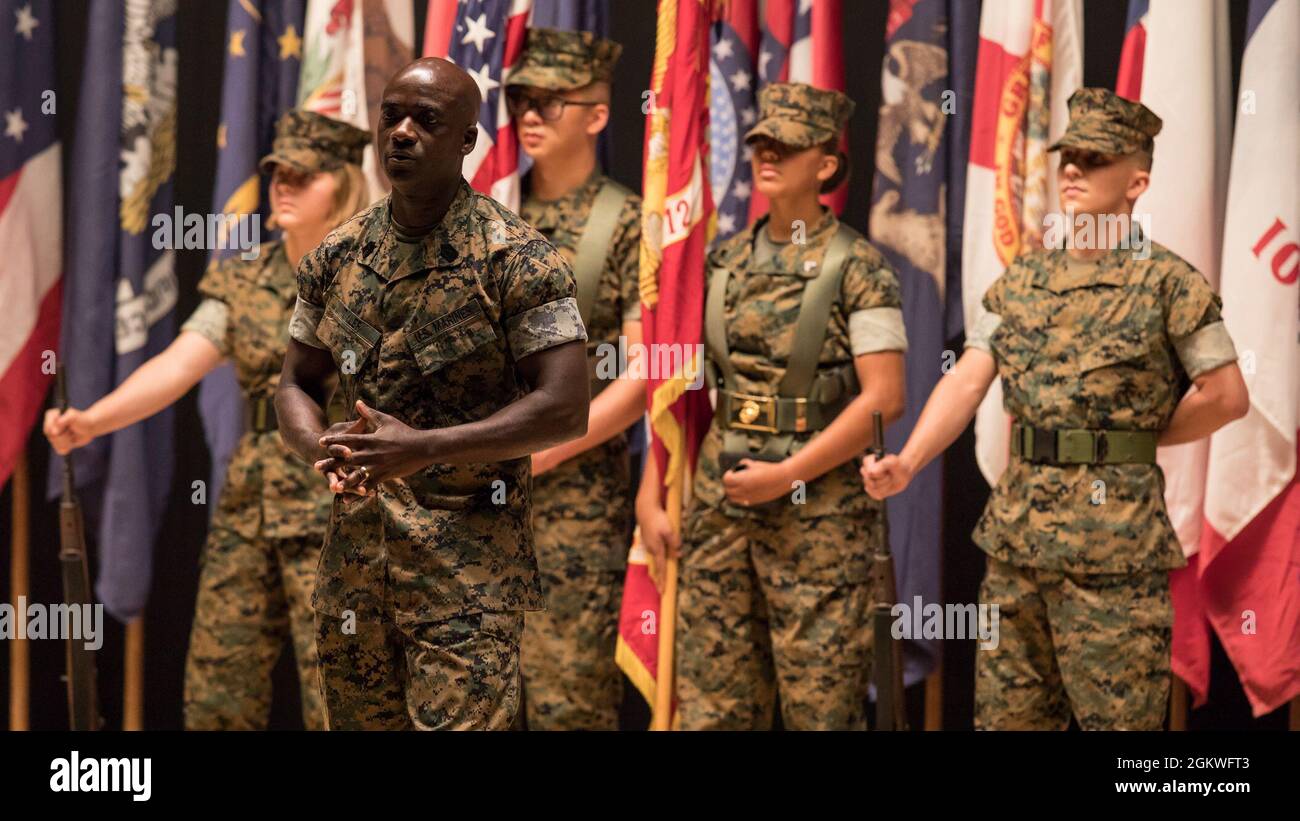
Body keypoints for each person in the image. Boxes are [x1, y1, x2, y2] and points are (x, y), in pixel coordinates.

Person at [862, 88, 1249, 730]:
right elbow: (967, 381)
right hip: (1017, 547)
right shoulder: (1023, 280)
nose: (1072, 169)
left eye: (1094, 159)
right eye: (1069, 156)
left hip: (1114, 557)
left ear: (1137, 182)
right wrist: (908, 461)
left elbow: (1227, 396)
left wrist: (1131, 440)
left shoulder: (1169, 282)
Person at [275, 57, 591, 731]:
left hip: (466, 577)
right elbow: (296, 382)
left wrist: (425, 448)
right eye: (392, 116)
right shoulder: (337, 254)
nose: (402, 132)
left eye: (427, 120)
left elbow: (566, 407)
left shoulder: (517, 258)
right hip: (356, 570)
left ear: (467, 139)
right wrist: (319, 445)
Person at [44, 110, 370, 730]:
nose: (283, 186)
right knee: (219, 688)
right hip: (251, 500)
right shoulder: (245, 279)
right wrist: (91, 421)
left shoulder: (376, 283)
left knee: (341, 689)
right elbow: (178, 364)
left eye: (303, 175)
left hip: (344, 501)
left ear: (343, 185)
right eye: (277, 173)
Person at [637, 83, 908, 730]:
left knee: (822, 711)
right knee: (714, 708)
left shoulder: (860, 268)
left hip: (820, 516)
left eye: (787, 146)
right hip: (720, 505)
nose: (768, 155)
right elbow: (682, 390)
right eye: (762, 143)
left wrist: (788, 475)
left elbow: (886, 397)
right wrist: (651, 491)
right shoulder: (720, 262)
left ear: (826, 164)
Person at [504, 27, 644, 731]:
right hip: (468, 504)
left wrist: (548, 450)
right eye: (521, 99)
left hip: (574, 508)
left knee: (570, 706)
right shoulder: (485, 210)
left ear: (597, 115)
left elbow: (647, 372)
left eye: (551, 101)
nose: (530, 114)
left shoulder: (627, 223)